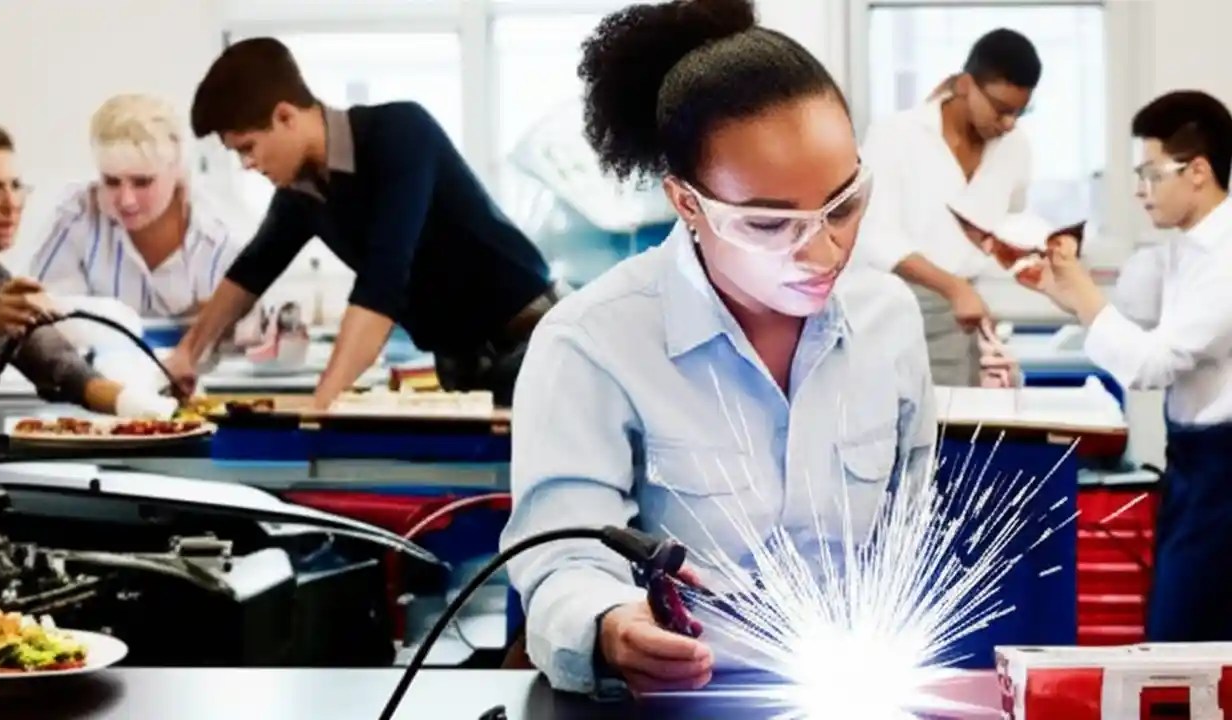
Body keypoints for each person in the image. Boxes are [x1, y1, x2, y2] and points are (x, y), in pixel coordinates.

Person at [500, 0, 936, 696]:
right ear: (687, 204)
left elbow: (910, 530)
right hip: (674, 701)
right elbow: (562, 558)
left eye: (844, 205)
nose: (822, 251)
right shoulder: (593, 342)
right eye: (770, 224)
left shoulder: (888, 320)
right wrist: (612, 624)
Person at [164, 38, 556, 409]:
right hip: (463, 361)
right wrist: (188, 353)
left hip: (533, 341)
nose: (246, 164)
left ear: (285, 116)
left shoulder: (401, 133)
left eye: (247, 147)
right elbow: (252, 270)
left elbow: (383, 280)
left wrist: (319, 410)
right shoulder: (302, 192)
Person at [1029, 90, 1232, 643]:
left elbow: (1151, 365)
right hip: (1192, 459)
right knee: (1179, 634)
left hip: (1222, 468)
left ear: (1197, 171)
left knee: (1186, 638)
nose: (1142, 191)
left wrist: (1084, 299)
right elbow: (1124, 315)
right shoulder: (1180, 250)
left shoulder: (1226, 258)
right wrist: (1063, 286)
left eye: (1150, 173)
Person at [0, 123, 175, 429]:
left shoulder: (0, 286)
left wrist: (145, 407)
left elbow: (63, 369)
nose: (12, 203)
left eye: (16, 186)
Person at [858, 29, 1041, 386]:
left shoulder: (1016, 147)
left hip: (971, 313)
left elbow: (1009, 222)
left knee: (962, 429)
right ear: (965, 85)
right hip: (901, 305)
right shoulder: (896, 135)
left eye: (1021, 112)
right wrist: (953, 287)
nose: (1009, 124)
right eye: (1001, 110)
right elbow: (874, 235)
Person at [29, 94, 238, 318]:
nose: (126, 200)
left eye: (142, 182)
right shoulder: (76, 217)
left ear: (176, 171)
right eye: (111, 181)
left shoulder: (223, 232)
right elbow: (44, 315)